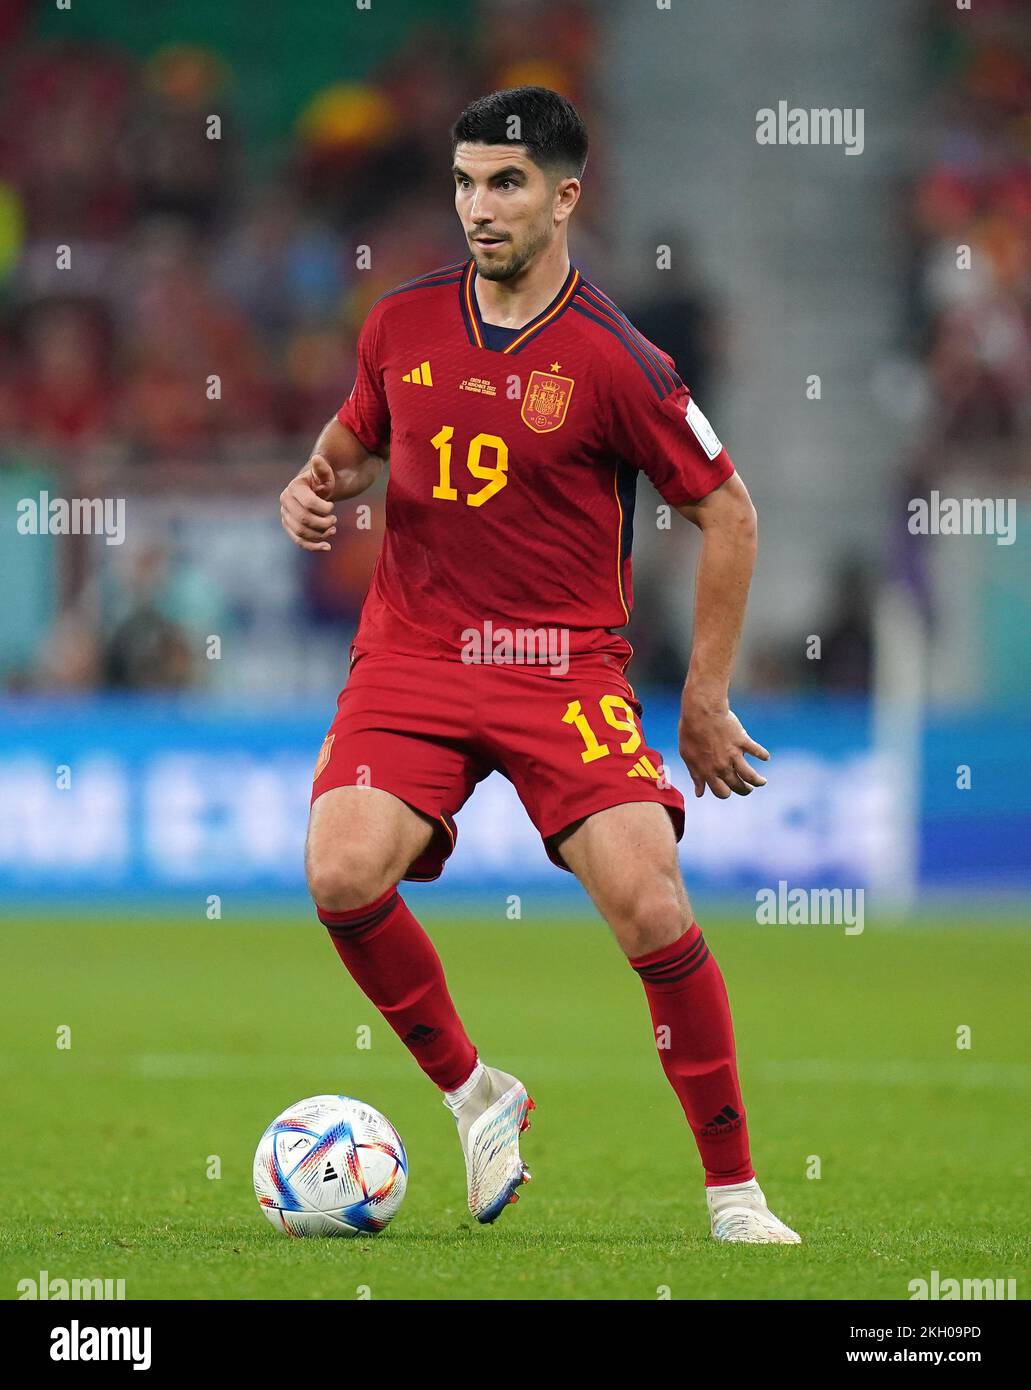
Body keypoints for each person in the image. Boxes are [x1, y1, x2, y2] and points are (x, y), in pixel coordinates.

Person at [279, 86, 799, 1243]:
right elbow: (356, 445)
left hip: (561, 669)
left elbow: (731, 515)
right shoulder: (399, 323)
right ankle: (477, 1095)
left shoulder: (618, 359)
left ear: (565, 196)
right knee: (339, 870)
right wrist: (315, 485)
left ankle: (733, 1194)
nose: (478, 206)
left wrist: (704, 695)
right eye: (463, 182)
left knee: (651, 903)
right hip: (411, 652)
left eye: (504, 183)